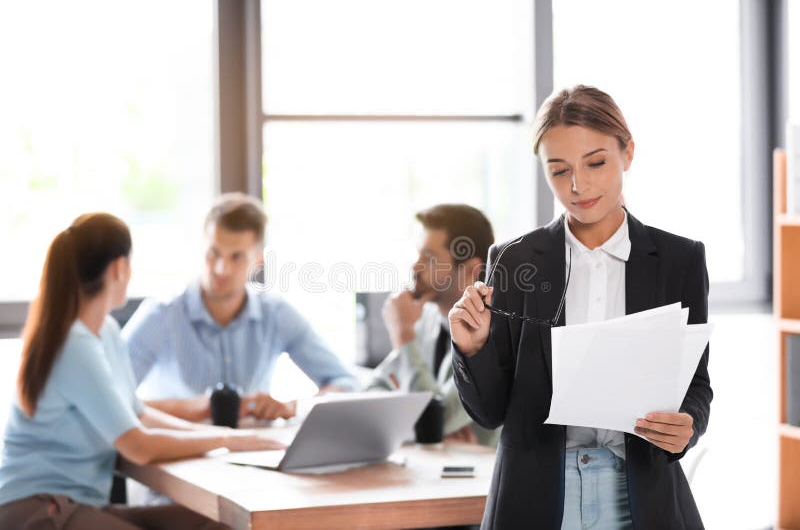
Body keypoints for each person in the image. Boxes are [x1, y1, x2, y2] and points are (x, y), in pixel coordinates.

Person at [449, 85, 711, 529]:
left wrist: (688, 425)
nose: (578, 185)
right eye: (559, 170)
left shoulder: (680, 260)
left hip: (641, 493)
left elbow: (696, 384)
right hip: (538, 497)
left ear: (627, 153)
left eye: (596, 163)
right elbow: (490, 413)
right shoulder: (512, 260)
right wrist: (472, 349)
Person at [0, 213, 282, 529]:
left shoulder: (104, 331)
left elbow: (139, 415)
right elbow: (138, 445)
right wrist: (230, 441)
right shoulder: (73, 343)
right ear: (120, 267)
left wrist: (232, 437)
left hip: (79, 505)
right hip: (40, 510)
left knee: (220, 524)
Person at [123, 193, 358, 423]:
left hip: (252, 452)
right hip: (178, 453)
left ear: (258, 260)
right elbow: (109, 398)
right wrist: (202, 409)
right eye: (213, 253)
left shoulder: (276, 313)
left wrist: (292, 407)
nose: (221, 269)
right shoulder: (161, 314)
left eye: (237, 257)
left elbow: (345, 383)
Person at [370, 204, 499, 446]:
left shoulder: (492, 336)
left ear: (472, 271)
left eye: (429, 258)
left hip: (479, 476)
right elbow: (372, 390)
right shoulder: (427, 319)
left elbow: (434, 422)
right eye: (418, 255)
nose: (414, 267)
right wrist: (423, 426)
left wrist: (403, 336)